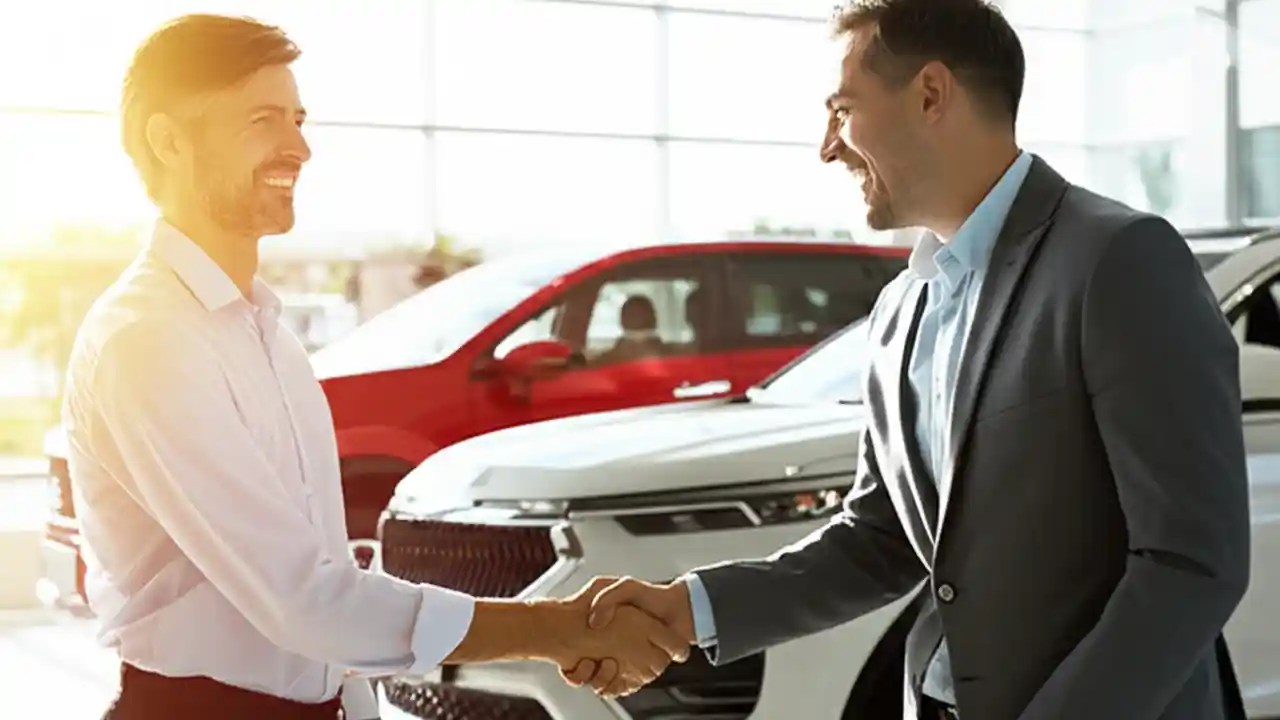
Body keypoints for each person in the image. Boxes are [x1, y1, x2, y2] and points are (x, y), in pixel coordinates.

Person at [569, 1, 1252, 718]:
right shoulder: (901, 307)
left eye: (843, 111)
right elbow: (880, 539)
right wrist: (689, 609)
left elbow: (1189, 564)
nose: (828, 148)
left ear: (930, 94)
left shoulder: (1119, 260)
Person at [63, 14, 686, 720]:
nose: (299, 147)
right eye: (263, 120)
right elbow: (305, 599)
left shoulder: (266, 336)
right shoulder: (147, 340)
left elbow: (326, 594)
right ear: (169, 141)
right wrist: (557, 629)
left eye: (298, 119)